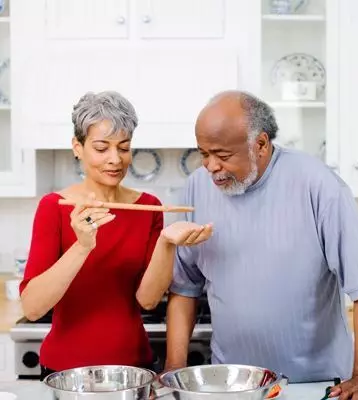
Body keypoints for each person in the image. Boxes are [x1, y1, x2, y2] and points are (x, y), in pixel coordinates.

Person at [165, 90, 358, 400]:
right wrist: (174, 369)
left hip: (313, 384)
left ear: (261, 144)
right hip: (230, 385)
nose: (211, 166)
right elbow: (183, 289)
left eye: (223, 155)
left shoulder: (319, 186)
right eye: (203, 153)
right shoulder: (195, 189)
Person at [19, 90, 213, 380]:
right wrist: (82, 246)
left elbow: (147, 300)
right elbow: (33, 308)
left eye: (124, 147)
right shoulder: (56, 207)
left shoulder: (148, 206)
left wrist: (166, 243)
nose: (115, 159)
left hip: (133, 368)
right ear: (77, 147)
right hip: (66, 370)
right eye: (101, 148)